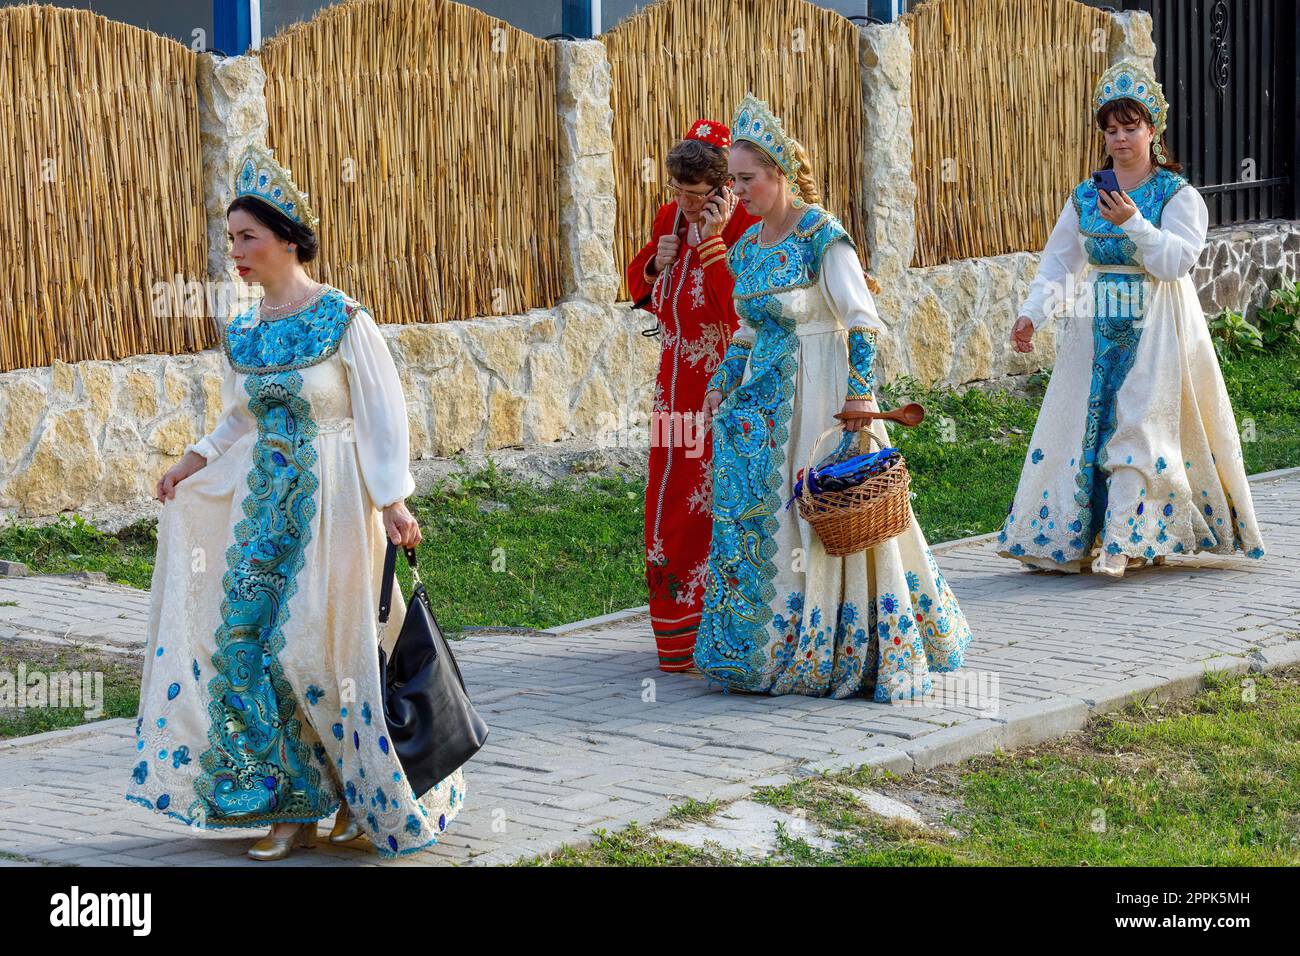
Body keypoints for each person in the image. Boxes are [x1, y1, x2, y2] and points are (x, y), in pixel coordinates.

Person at [125, 144, 464, 859]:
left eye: (247, 237)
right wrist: (189, 464)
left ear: (285, 238)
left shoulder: (342, 317)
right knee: (251, 650)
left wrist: (393, 500)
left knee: (324, 651)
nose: (236, 252)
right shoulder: (245, 331)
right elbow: (238, 418)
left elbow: (381, 413)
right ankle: (293, 808)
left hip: (339, 507)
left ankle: (356, 794)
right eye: (231, 240)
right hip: (264, 510)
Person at [692, 94, 973, 700]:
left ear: (780, 174)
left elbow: (862, 319)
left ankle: (835, 648)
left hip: (820, 393)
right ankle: (756, 653)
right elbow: (745, 330)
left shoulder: (823, 236)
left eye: (747, 179)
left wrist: (860, 398)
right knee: (765, 520)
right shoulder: (745, 249)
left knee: (823, 511)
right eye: (732, 180)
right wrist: (720, 384)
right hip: (761, 409)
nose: (738, 191)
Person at [999, 60, 1266, 578]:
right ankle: (1075, 536)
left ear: (1153, 130)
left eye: (1131, 127)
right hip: (1094, 323)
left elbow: (1175, 263)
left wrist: (1135, 223)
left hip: (1158, 324)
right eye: (1111, 128)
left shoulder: (1177, 195)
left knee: (1140, 426)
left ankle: (1124, 540)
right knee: (1084, 426)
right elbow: (1061, 261)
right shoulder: (1085, 195)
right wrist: (1032, 314)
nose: (1120, 138)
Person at [626, 119, 760, 673]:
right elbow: (642, 287)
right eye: (676, 193)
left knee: (711, 500)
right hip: (674, 385)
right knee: (669, 499)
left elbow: (743, 315)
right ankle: (676, 633)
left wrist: (710, 248)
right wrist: (656, 262)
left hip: (722, 390)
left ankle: (720, 625)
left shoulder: (747, 224)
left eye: (696, 195)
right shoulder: (671, 217)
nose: (684, 204)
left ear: (725, 187)